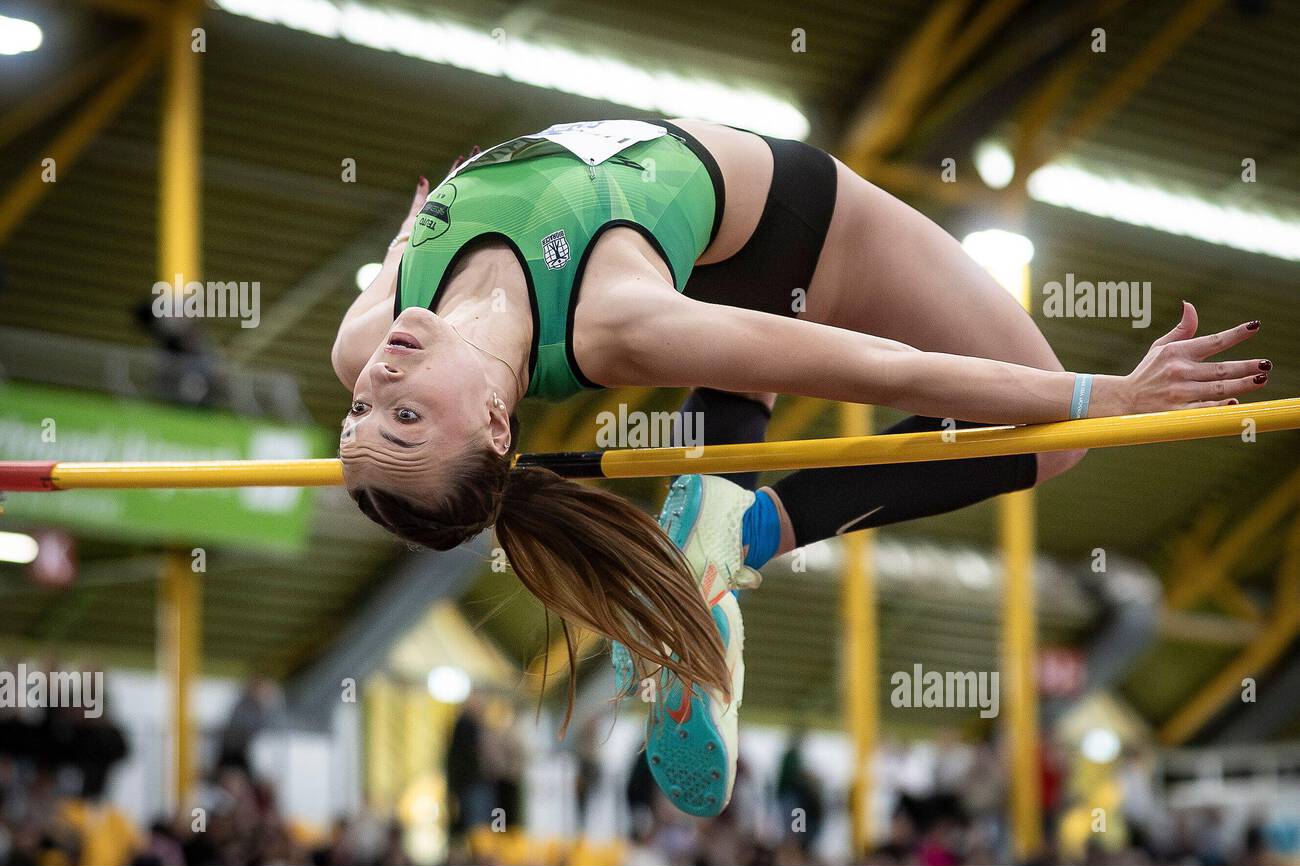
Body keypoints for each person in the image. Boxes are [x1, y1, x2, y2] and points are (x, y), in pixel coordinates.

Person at [332, 118, 1272, 817]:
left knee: (720, 307)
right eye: (405, 417)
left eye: (362, 415)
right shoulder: (616, 321)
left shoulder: (364, 336)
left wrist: (405, 246)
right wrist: (1097, 397)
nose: (378, 382)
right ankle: (744, 530)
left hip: (692, 253)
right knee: (1051, 438)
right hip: (804, 230)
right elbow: (883, 368)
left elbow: (388, 281)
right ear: (499, 425)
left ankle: (710, 545)